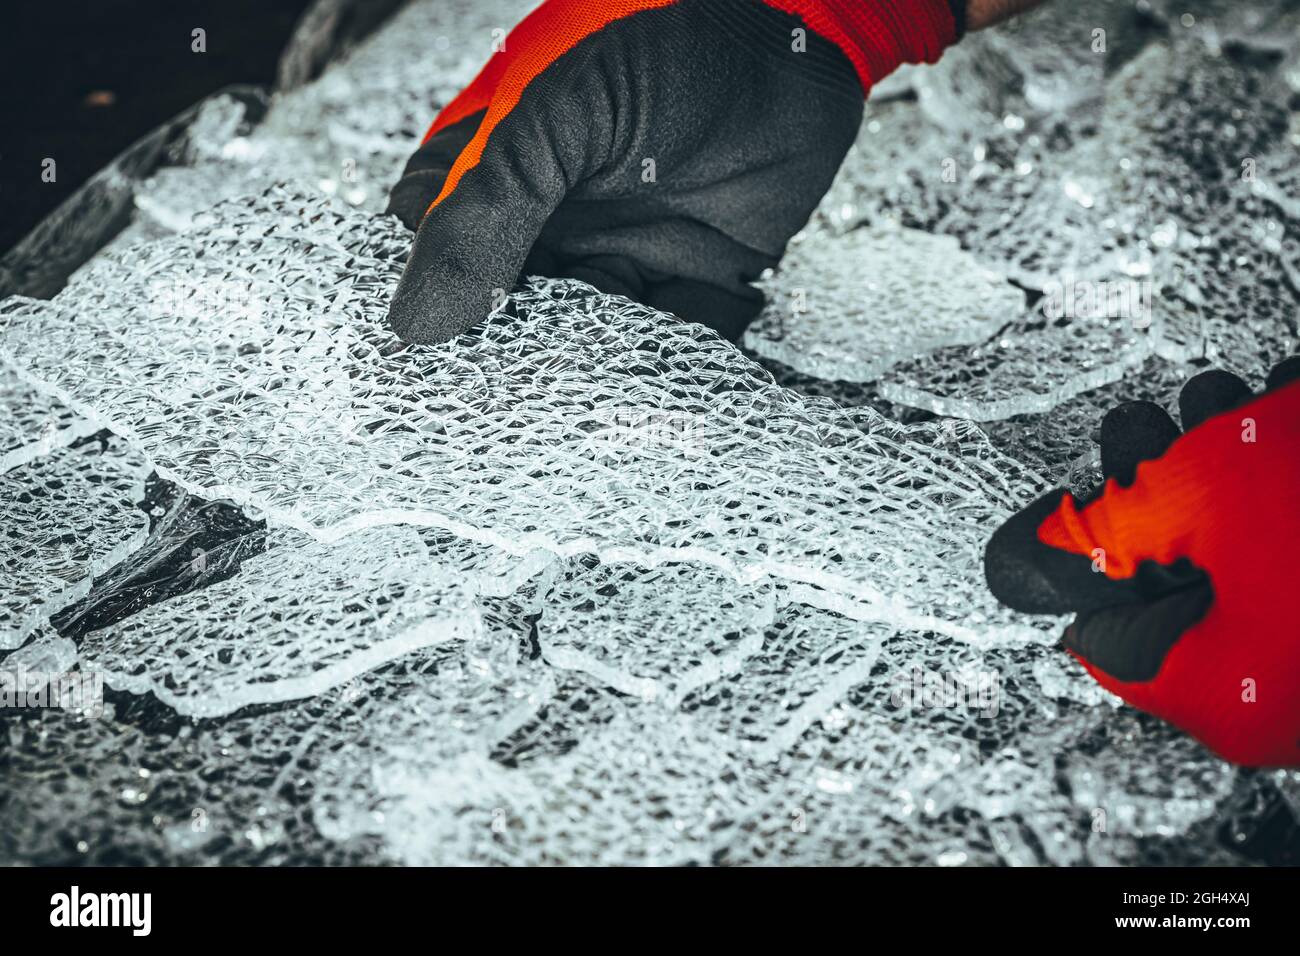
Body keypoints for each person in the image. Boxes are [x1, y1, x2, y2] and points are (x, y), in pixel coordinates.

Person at [384, 0, 1044, 343]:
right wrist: (856, 21)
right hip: (822, 81)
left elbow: (457, 272)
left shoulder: (624, 53)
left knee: (453, 269)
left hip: (793, 67)